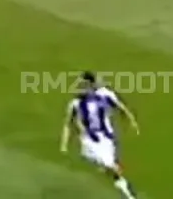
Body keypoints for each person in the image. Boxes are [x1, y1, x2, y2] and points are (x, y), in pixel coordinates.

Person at [60, 71, 140, 199]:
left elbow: (121, 108)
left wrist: (132, 122)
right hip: (88, 141)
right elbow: (68, 124)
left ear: (90, 85)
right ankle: (116, 174)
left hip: (106, 138)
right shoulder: (75, 103)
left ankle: (125, 189)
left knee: (110, 167)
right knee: (104, 164)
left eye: (83, 84)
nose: (79, 87)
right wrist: (64, 144)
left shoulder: (105, 95)